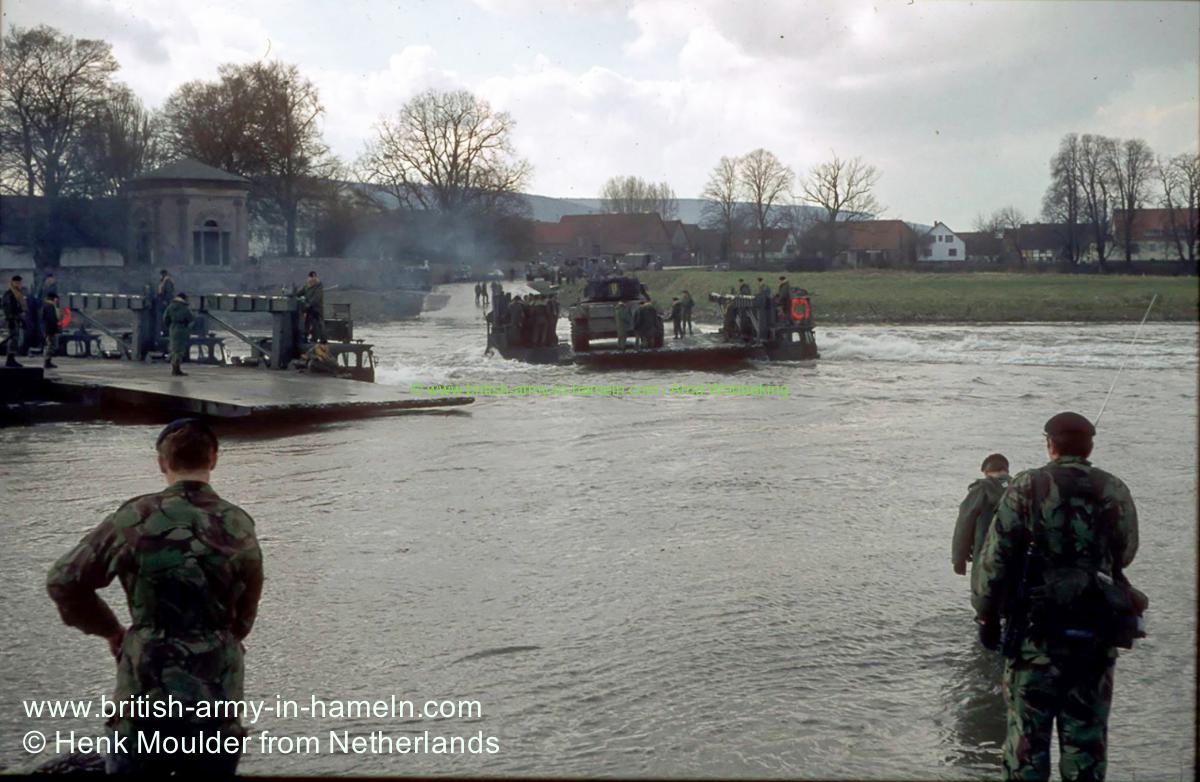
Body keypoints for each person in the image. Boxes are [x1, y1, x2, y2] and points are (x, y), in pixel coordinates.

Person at [46, 418, 263, 776]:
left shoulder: (134, 517)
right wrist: (223, 636)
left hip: (147, 683)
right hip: (217, 688)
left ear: (162, 463)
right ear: (213, 458)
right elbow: (246, 612)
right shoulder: (238, 523)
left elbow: (64, 580)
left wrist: (111, 630)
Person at [973, 412, 1139, 782]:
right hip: (1094, 637)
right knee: (1086, 749)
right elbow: (1126, 552)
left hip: (1033, 639)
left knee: (1026, 749)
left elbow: (995, 559)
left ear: (1049, 444)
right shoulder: (1114, 487)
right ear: (1090, 446)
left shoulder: (1026, 485)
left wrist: (985, 616)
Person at [951, 453, 1010, 578]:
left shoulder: (982, 489)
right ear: (1006, 470)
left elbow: (965, 522)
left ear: (986, 472)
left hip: (985, 555)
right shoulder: (1020, 487)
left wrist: (959, 558)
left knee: (984, 594)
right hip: (1017, 558)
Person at [162, 292, 194, 376]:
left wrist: (169, 326)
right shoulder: (184, 307)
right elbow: (190, 318)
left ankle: (174, 368)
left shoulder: (170, 306)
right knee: (179, 350)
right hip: (182, 328)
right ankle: (177, 369)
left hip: (172, 328)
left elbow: (165, 318)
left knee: (174, 348)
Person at [3, 274, 27, 367]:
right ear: (12, 283)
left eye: (19, 282)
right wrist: (11, 318)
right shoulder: (10, 294)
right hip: (12, 319)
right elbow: (8, 308)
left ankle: (11, 358)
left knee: (15, 339)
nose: (18, 284)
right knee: (13, 339)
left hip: (16, 319)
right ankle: (10, 359)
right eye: (16, 282)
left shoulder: (17, 293)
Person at [300, 271, 325, 343]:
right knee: (307, 324)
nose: (313, 278)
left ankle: (322, 340)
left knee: (319, 324)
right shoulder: (306, 285)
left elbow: (317, 297)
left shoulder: (319, 285)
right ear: (309, 277)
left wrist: (309, 304)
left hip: (317, 308)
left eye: (314, 277)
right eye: (311, 277)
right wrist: (292, 294)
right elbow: (300, 292)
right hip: (309, 309)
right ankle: (305, 337)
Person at [41, 292, 62, 369]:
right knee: (50, 345)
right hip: (50, 329)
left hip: (47, 328)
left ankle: (48, 361)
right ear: (54, 299)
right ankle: (47, 362)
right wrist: (56, 327)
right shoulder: (50, 306)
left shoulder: (46, 305)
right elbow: (51, 319)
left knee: (50, 345)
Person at [156, 269, 175, 338]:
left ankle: (167, 332)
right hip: (164, 302)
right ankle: (165, 331)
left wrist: (166, 301)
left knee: (166, 318)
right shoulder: (164, 281)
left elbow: (168, 292)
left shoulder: (167, 281)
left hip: (166, 302)